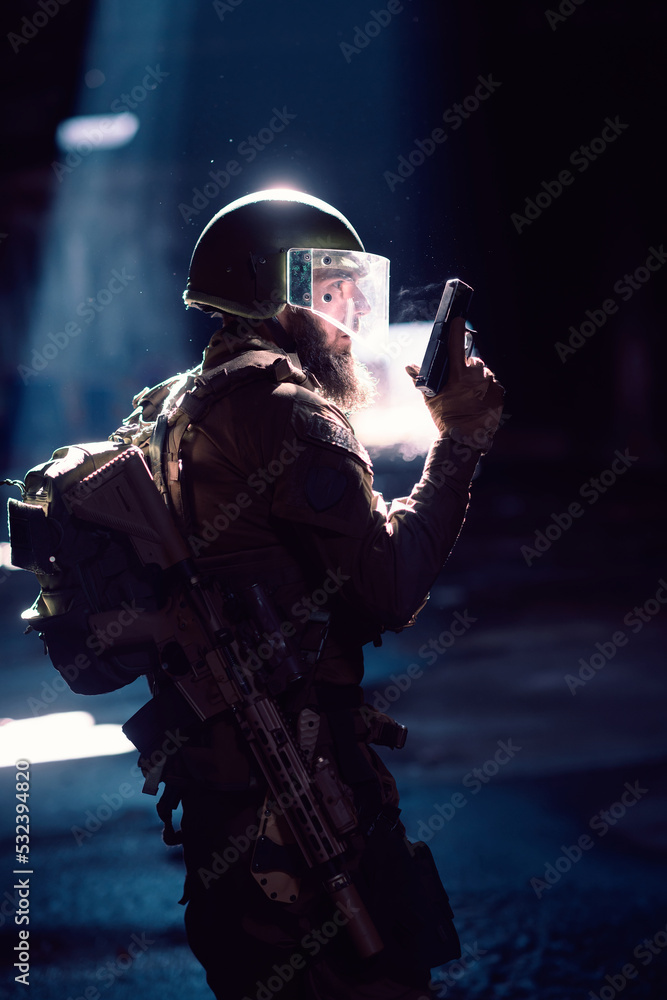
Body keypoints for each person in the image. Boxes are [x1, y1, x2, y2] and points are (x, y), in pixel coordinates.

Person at [120, 188, 504, 999]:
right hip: (303, 797)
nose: (352, 312)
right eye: (330, 290)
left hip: (226, 797)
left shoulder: (179, 405)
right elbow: (389, 586)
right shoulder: (292, 415)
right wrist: (460, 441)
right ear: (270, 293)